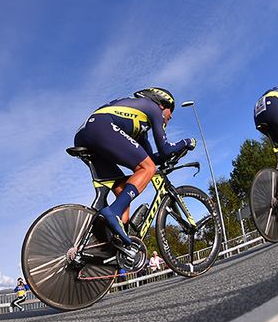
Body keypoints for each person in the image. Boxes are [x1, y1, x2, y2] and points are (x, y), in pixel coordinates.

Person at [73, 88, 195, 268]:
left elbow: (151, 156)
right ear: (163, 104)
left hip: (86, 133)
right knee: (147, 169)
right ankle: (113, 213)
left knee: (123, 187)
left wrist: (167, 157)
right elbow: (164, 150)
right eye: (171, 111)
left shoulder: (138, 122)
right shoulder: (153, 108)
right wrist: (186, 142)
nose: (170, 117)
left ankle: (111, 244)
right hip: (102, 126)